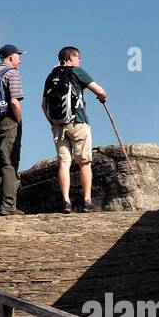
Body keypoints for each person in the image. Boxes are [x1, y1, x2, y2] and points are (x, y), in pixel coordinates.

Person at [41, 46, 106, 212]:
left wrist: (53, 122)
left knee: (64, 162)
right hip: (78, 122)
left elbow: (43, 105)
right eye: (78, 57)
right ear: (71, 58)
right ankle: (87, 201)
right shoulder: (77, 72)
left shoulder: (51, 76)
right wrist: (102, 98)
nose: (79, 60)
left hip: (58, 125)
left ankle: (66, 202)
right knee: (84, 162)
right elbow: (100, 91)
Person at [0, 44, 26, 216]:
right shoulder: (12, 73)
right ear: (10, 57)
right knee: (9, 164)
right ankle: (8, 207)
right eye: (18, 56)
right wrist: (18, 120)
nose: (20, 59)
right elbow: (15, 102)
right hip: (8, 121)